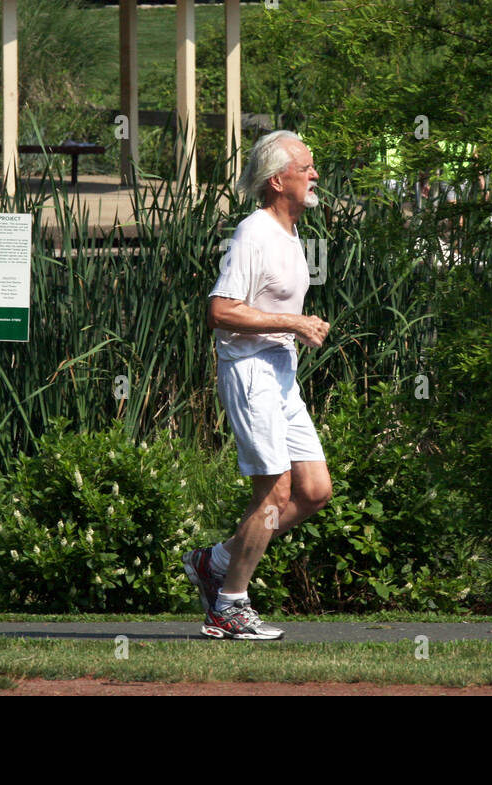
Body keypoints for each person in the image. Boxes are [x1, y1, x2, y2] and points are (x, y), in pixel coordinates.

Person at [183, 130, 332, 640]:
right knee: (275, 490)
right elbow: (221, 311)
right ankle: (229, 604)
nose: (315, 176)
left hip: (281, 373)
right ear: (277, 180)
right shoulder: (254, 232)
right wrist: (293, 324)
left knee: (313, 491)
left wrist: (295, 327)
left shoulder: (289, 233)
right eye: (306, 168)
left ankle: (215, 560)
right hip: (251, 373)